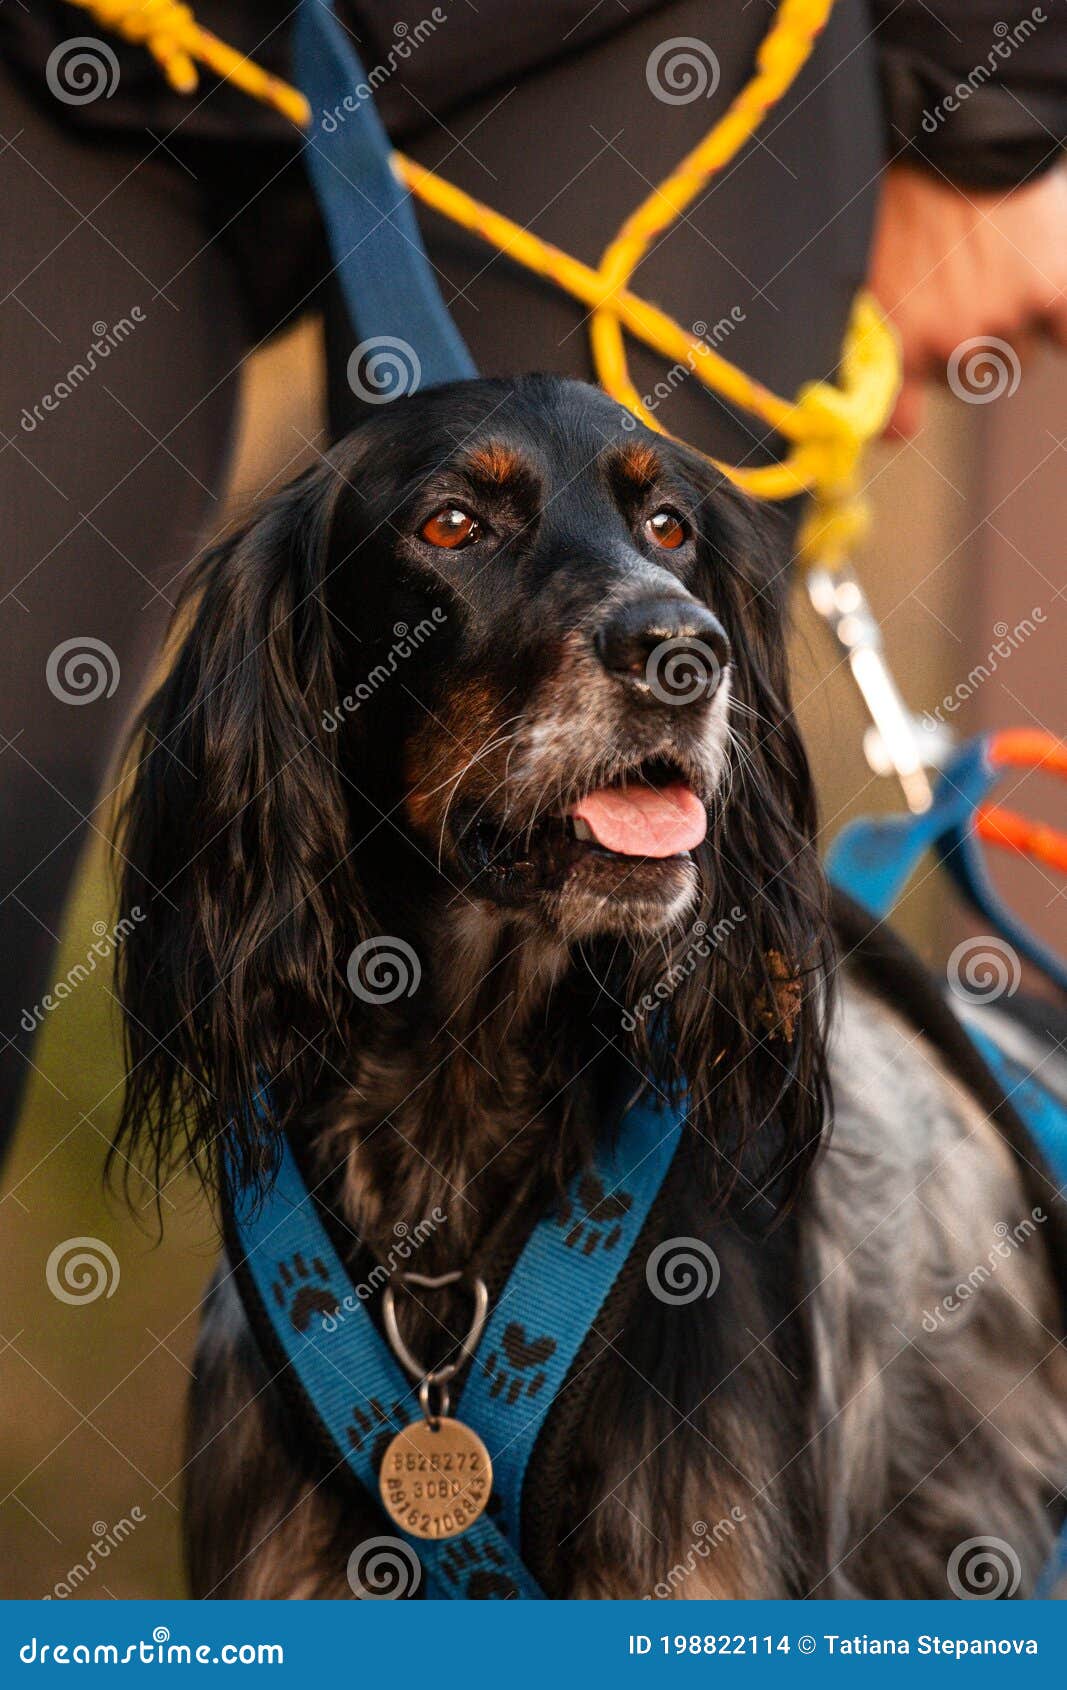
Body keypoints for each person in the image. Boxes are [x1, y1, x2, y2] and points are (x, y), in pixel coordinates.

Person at [2, 0, 1065, 1161]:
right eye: (457, 523)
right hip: (63, 48)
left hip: (618, 33)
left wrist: (984, 105)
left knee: (640, 1034)